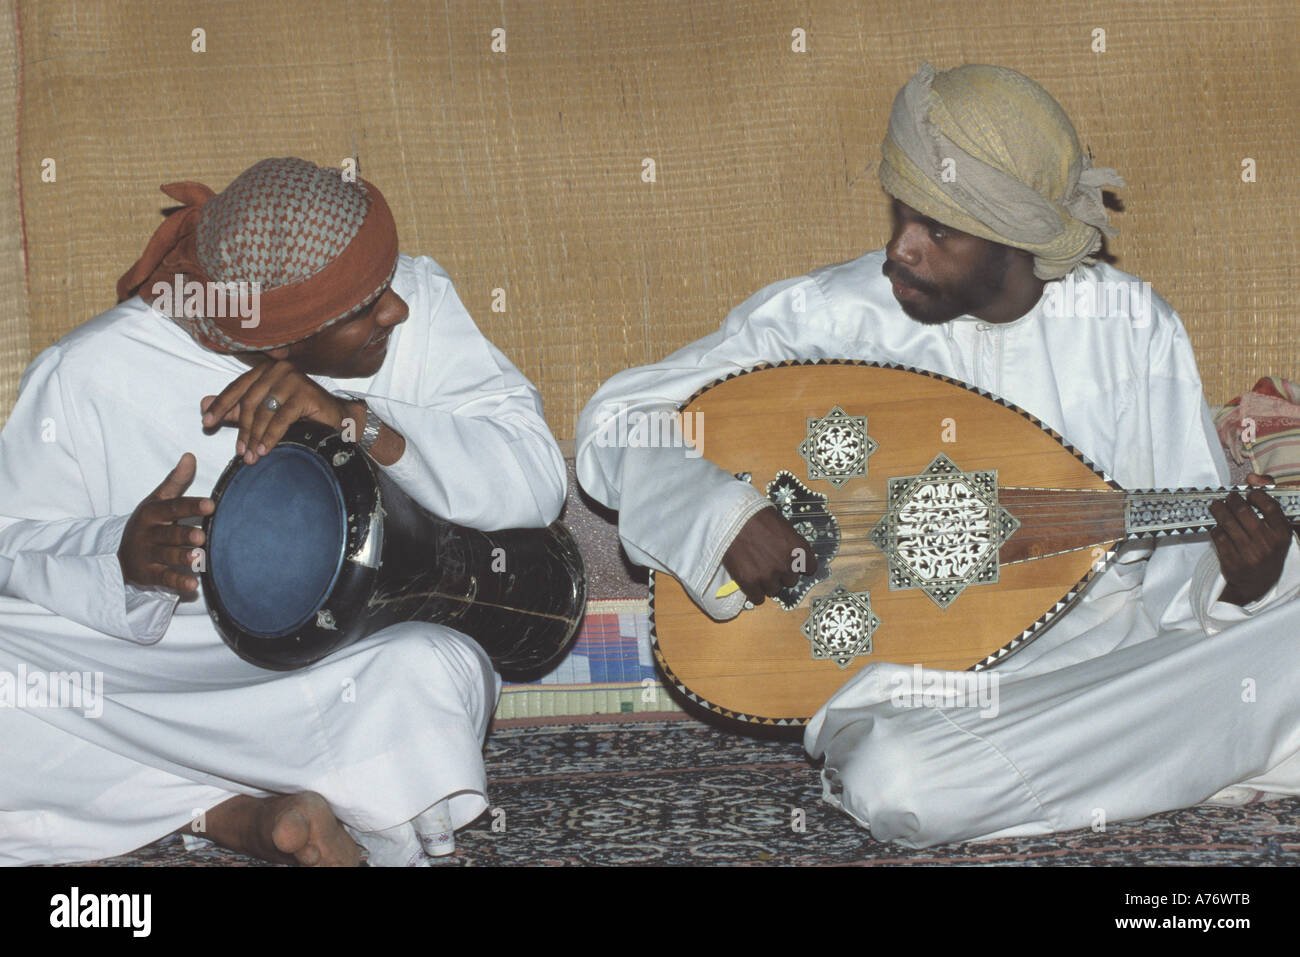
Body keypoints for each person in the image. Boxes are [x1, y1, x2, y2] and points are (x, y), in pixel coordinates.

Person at [575, 63, 1300, 847]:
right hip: (915, 695)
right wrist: (718, 513)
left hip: (1105, 665)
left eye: (938, 231)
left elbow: (1180, 567)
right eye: (902, 213)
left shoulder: (1129, 325)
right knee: (901, 781)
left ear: (1015, 241)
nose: (900, 248)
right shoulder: (831, 316)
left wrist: (1242, 583)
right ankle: (1206, 748)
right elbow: (617, 421)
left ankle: (1177, 745)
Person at [0, 157, 567, 866]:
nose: (395, 309)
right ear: (273, 341)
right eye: (363, 309)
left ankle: (233, 810)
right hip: (174, 668)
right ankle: (236, 815)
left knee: (428, 672)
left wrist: (359, 421)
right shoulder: (87, 375)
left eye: (384, 288)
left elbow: (535, 474)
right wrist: (119, 553)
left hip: (348, 659)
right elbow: (10, 543)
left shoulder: (407, 296)